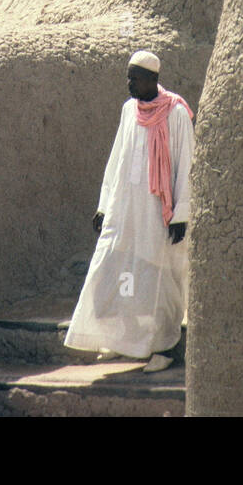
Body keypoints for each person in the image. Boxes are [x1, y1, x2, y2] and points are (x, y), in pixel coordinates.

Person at [63, 50, 195, 372]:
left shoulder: (175, 112)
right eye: (128, 77)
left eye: (134, 78)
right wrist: (104, 205)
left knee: (157, 277)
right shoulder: (128, 110)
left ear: (152, 79)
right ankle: (119, 340)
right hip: (125, 208)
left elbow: (186, 164)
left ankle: (163, 349)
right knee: (111, 266)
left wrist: (181, 213)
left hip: (157, 213)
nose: (129, 83)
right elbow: (117, 160)